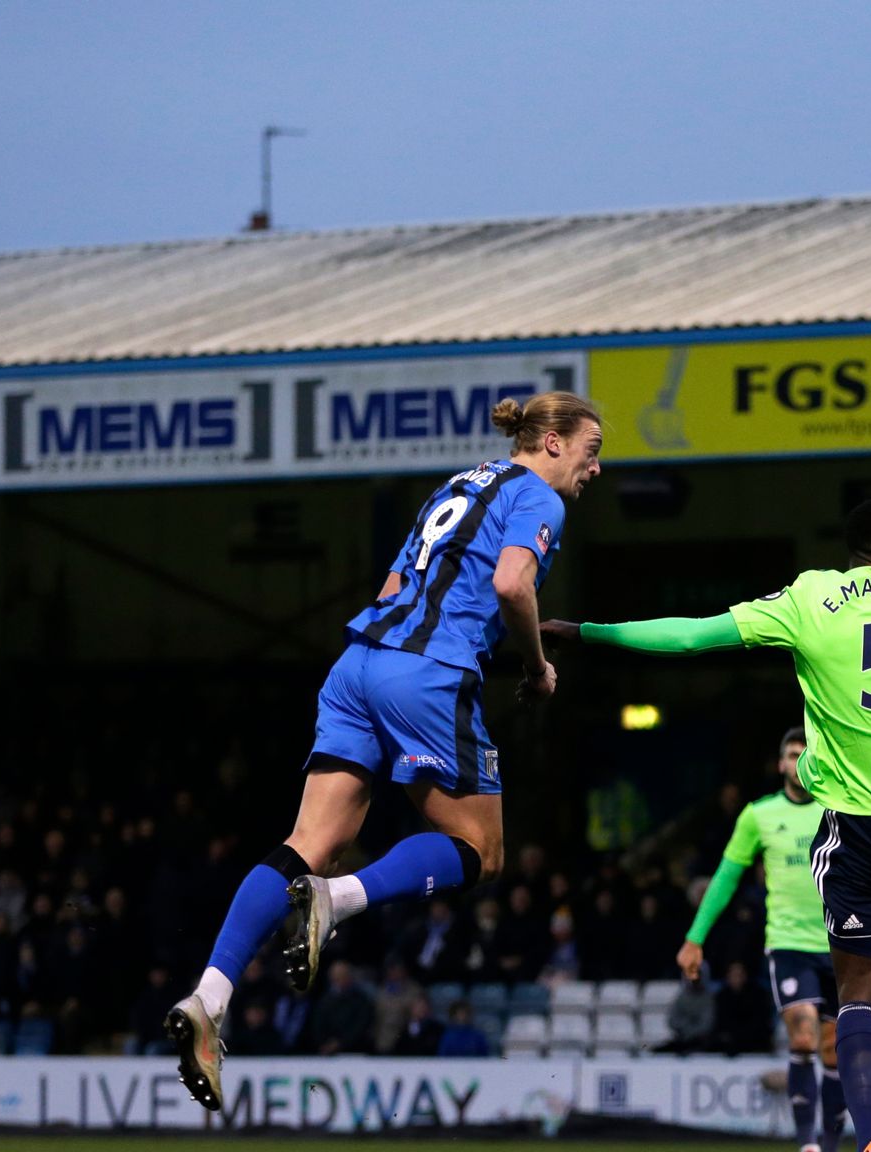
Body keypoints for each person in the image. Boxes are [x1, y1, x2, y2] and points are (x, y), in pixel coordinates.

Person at [165, 392, 602, 1111]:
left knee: (308, 842)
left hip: (358, 664)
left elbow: (395, 584)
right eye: (590, 454)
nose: (593, 472)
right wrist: (534, 667)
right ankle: (337, 902)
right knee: (480, 851)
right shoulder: (538, 500)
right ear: (551, 442)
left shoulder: (459, 485)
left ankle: (210, 996)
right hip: (426, 675)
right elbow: (511, 583)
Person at [546, 498, 871, 1152]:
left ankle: (869, 1137)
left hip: (866, 825)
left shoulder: (807, 598)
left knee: (858, 994)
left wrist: (587, 633)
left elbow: (690, 637)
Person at [679, 728, 848, 1152]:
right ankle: (808, 1145)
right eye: (790, 755)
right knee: (804, 1038)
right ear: (780, 764)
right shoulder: (759, 815)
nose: (796, 762)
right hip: (789, 944)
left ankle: (829, 1146)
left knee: (833, 1051)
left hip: (840, 945)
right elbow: (726, 877)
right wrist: (694, 938)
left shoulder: (840, 808)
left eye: (803, 754)